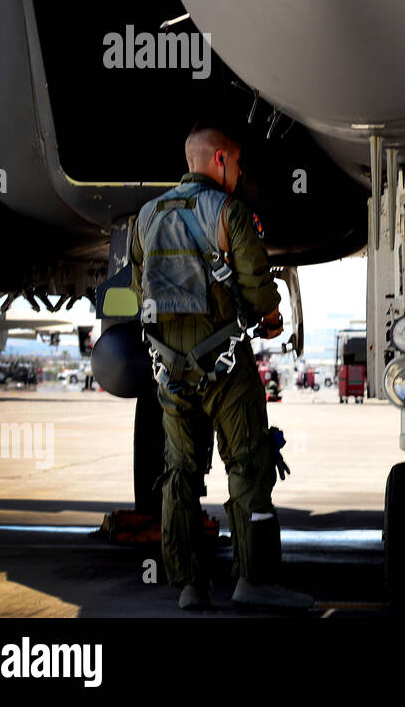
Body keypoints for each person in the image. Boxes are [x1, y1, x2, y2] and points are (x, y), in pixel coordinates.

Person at [130, 123, 310, 611]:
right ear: (222, 161)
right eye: (237, 165)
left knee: (181, 473)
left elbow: (136, 288)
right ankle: (256, 580)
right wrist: (271, 318)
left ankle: (190, 584)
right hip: (226, 365)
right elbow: (255, 284)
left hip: (168, 370)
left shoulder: (145, 217)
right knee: (249, 466)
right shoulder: (231, 213)